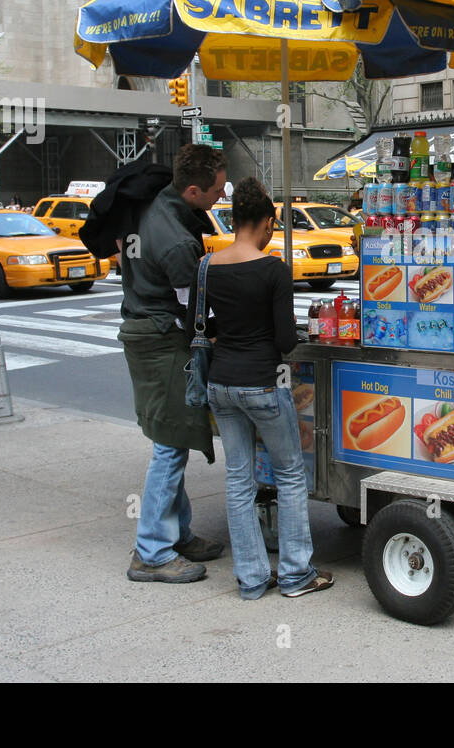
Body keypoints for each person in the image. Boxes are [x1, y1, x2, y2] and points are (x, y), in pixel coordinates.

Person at [203, 178, 333, 600]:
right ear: (263, 222)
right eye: (272, 225)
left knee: (239, 480)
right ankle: (296, 574)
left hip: (220, 384)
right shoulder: (273, 269)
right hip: (263, 382)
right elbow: (284, 341)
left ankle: (252, 578)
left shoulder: (208, 266)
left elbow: (200, 327)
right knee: (291, 475)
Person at [120, 143, 229, 584]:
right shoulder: (178, 242)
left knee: (174, 436)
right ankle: (152, 551)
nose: (221, 197)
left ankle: (178, 533)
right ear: (192, 191)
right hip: (162, 339)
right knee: (169, 443)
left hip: (143, 327)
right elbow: (194, 315)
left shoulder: (155, 205)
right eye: (217, 191)